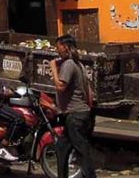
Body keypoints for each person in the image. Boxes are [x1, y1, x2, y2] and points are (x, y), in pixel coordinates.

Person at [50, 34, 97, 178]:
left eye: (58, 48)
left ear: (65, 47)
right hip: (79, 113)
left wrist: (53, 69)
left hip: (75, 115)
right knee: (61, 147)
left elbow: (60, 86)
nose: (57, 51)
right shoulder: (80, 65)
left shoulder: (69, 64)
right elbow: (89, 93)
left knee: (82, 151)